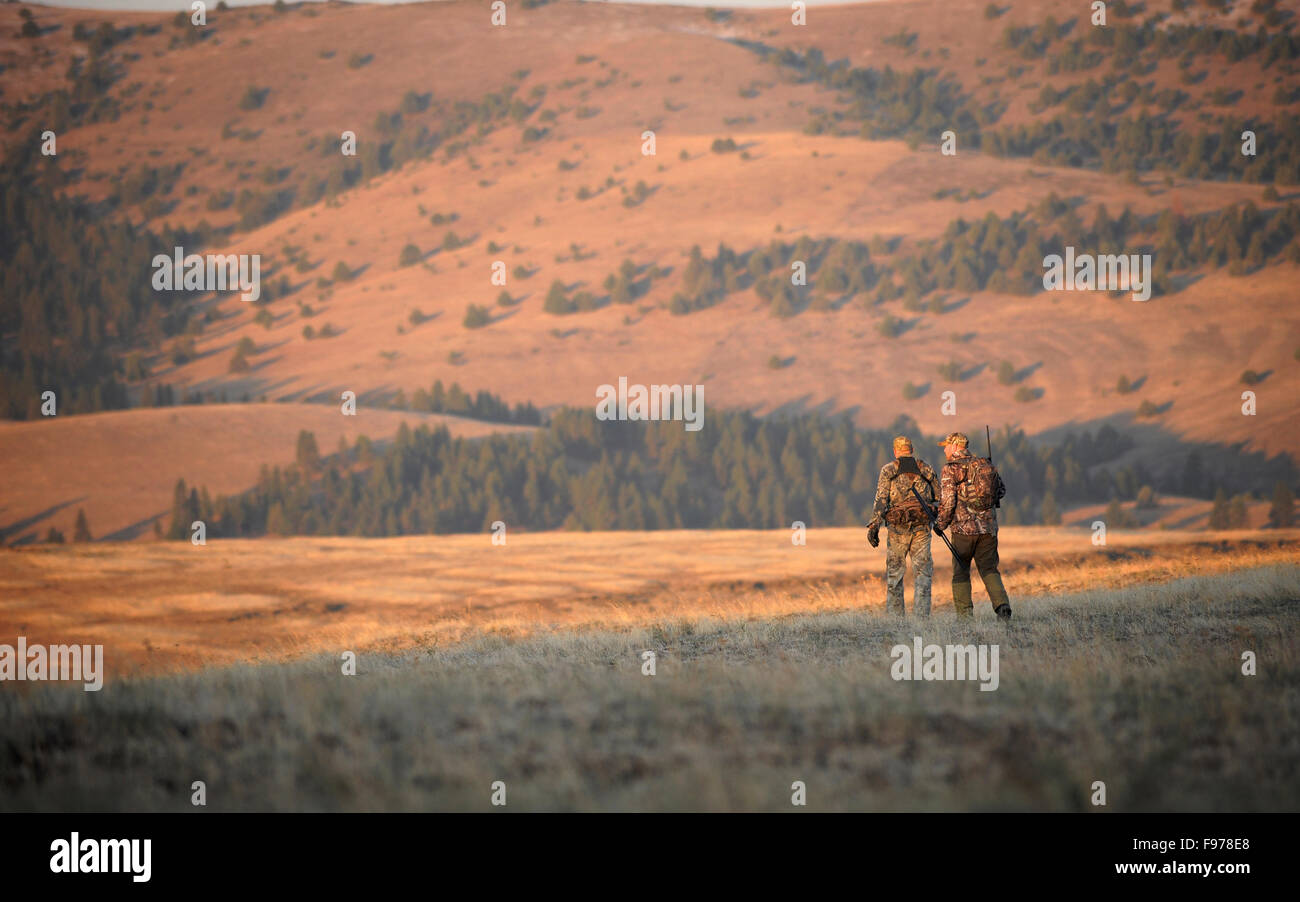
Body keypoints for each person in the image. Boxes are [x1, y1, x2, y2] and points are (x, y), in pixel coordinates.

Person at [935, 432, 1012, 622]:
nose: (944, 449)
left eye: (946, 445)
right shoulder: (986, 465)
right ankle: (1002, 606)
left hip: (963, 531)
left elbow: (948, 501)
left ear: (955, 446)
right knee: (989, 569)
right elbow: (1001, 491)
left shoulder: (950, 469)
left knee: (961, 572)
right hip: (988, 529)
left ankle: (965, 618)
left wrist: (940, 525)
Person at [867, 435, 939, 616]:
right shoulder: (926, 469)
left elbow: (881, 500)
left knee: (895, 573)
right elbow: (939, 496)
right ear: (912, 450)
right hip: (922, 528)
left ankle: (895, 618)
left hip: (897, 529)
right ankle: (922, 618)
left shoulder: (888, 470)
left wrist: (874, 526)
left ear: (895, 451)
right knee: (923, 573)